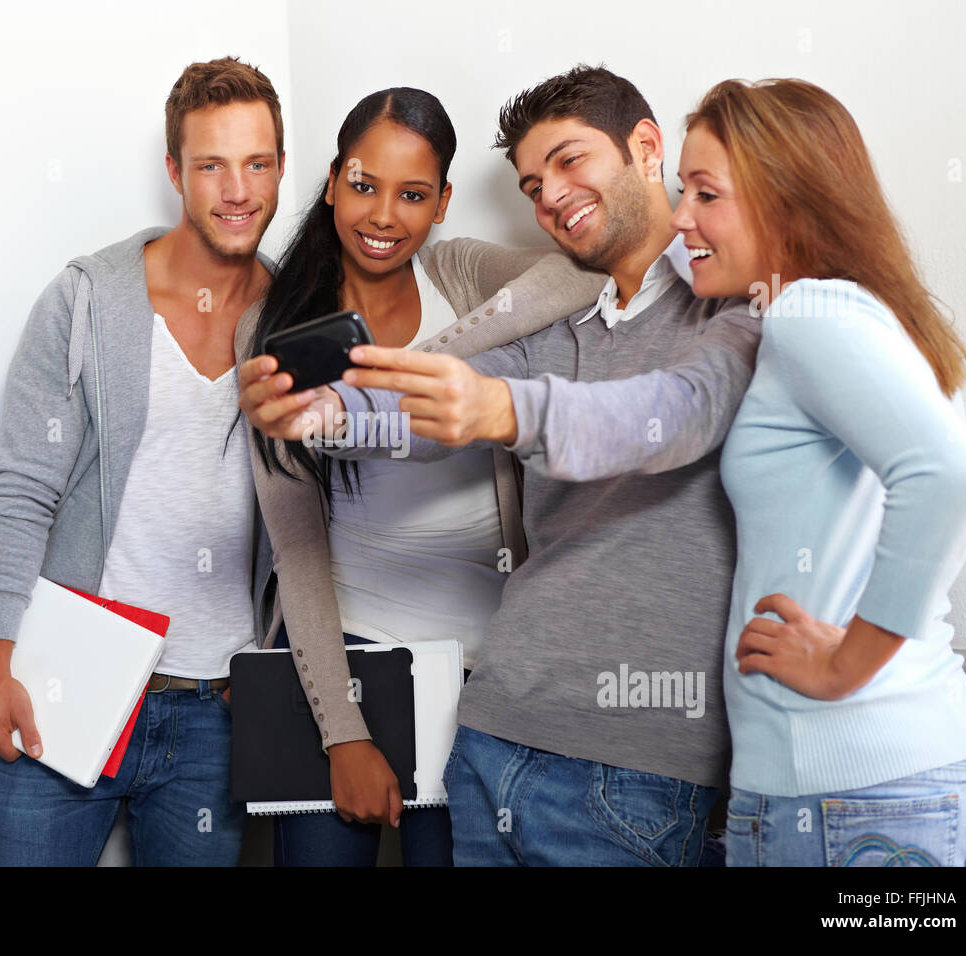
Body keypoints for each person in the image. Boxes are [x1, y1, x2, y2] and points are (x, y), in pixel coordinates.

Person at [246, 65, 761, 866]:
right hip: (493, 738)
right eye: (530, 182)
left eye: (569, 161)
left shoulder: (739, 313)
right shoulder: (554, 332)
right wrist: (328, 416)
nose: (550, 195)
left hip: (630, 765)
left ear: (645, 147)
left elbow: (671, 413)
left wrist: (498, 409)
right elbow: (430, 419)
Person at [235, 87, 604, 866]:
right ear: (332, 180)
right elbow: (296, 548)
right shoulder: (275, 327)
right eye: (364, 185)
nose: (381, 216)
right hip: (347, 658)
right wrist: (344, 733)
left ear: (441, 203)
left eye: (411, 195)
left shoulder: (461, 273)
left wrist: (418, 369)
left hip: (485, 670)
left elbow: (582, 278)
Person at [669, 77, 966, 867]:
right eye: (679, 189)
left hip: (846, 802)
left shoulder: (806, 316)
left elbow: (954, 477)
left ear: (786, 198)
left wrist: (844, 662)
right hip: (916, 777)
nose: (680, 217)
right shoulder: (868, 315)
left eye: (705, 193)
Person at [0, 56, 284, 866]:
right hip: (67, 687)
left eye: (257, 163)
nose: (237, 190)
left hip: (219, 711)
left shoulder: (294, 317)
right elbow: (22, 490)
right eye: (212, 165)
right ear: (176, 171)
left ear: (281, 168)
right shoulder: (86, 300)